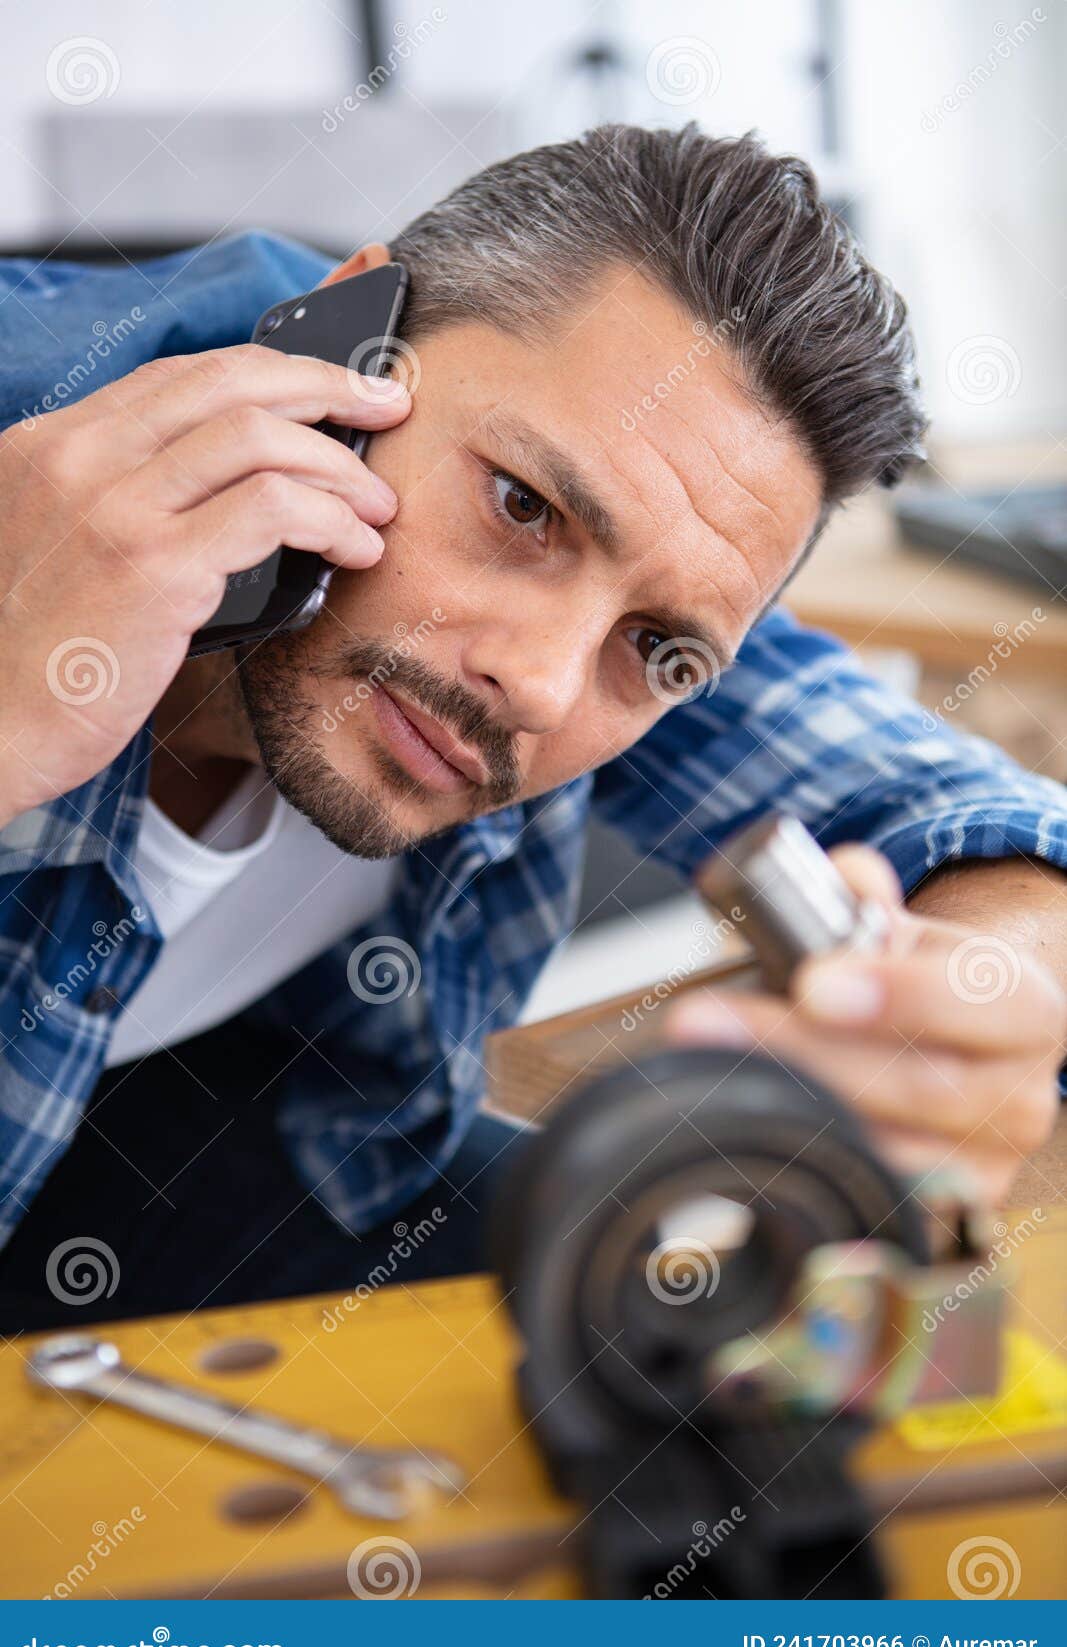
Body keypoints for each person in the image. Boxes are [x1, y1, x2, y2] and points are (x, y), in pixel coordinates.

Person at [0, 126, 1063, 1329]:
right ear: (348, 340)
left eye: (655, 645)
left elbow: (971, 813)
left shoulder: (633, 587)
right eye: (524, 507)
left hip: (223, 1148)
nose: (543, 686)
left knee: (710, 1335)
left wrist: (983, 987)